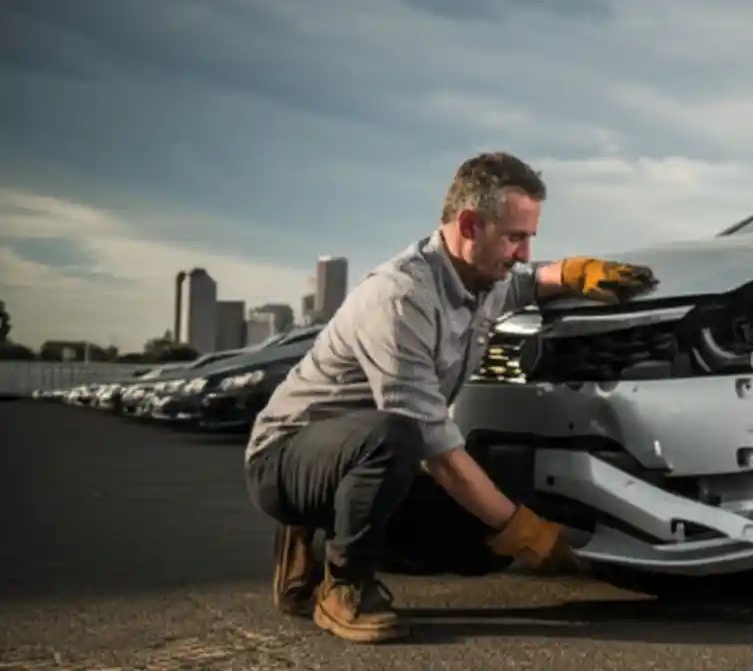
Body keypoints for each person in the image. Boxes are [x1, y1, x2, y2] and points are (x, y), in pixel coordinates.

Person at [242, 151, 657, 643]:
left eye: (530, 239)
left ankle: (336, 522)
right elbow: (435, 448)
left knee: (482, 548)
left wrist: (569, 273)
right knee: (397, 437)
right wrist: (528, 532)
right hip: (286, 456)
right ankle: (344, 584)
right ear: (470, 224)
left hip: (367, 457)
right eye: (515, 237)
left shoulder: (481, 278)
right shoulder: (401, 298)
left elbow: (526, 282)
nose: (523, 253)